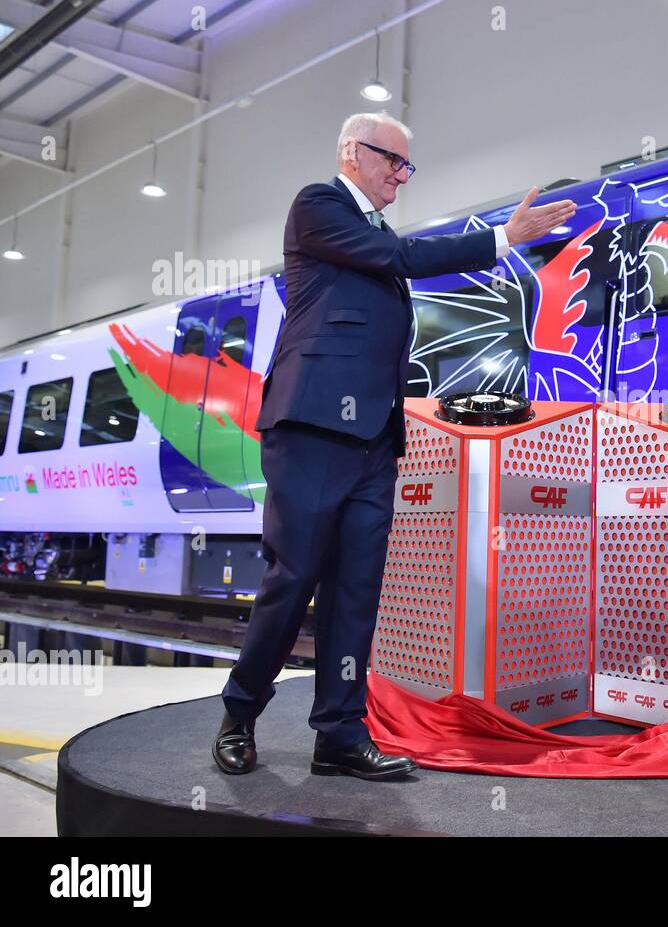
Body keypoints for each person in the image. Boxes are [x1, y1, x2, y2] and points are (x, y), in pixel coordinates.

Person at [213, 111, 575, 780]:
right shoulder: (319, 206)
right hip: (314, 430)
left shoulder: (371, 232)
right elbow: (405, 258)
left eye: (409, 167)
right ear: (353, 151)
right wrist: (503, 238)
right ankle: (239, 715)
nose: (401, 177)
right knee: (292, 582)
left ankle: (340, 735)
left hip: (376, 438)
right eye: (393, 162)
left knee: (355, 591)